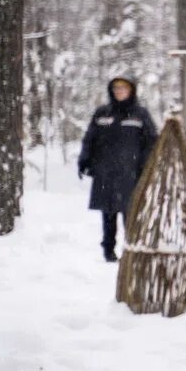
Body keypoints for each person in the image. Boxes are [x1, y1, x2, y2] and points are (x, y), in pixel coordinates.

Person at [77, 76, 158, 262]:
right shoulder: (102, 114)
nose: (119, 91)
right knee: (108, 212)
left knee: (131, 212)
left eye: (123, 87)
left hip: (131, 174)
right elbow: (90, 139)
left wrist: (145, 167)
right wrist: (85, 161)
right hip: (105, 173)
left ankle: (132, 249)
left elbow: (151, 142)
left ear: (131, 90)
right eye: (116, 88)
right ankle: (108, 250)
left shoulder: (140, 115)